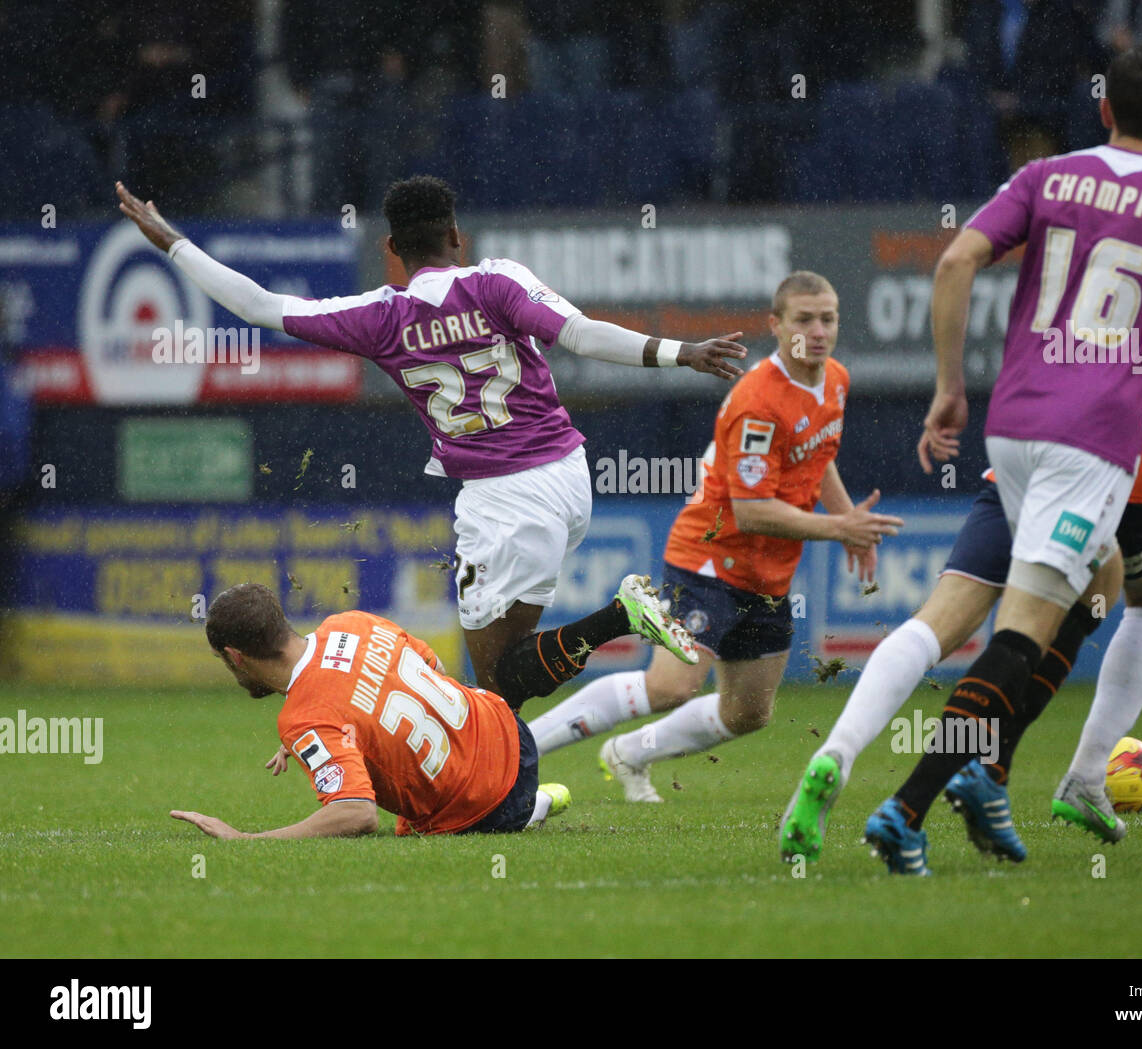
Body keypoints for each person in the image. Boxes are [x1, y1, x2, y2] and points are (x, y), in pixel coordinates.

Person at [781, 107, 1142, 865]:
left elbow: (962, 261)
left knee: (962, 617)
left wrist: (951, 387)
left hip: (1026, 436)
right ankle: (1019, 779)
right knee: (1109, 611)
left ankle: (849, 751)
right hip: (1118, 458)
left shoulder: (1067, 198)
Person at [116, 176, 744, 710]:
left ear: (391, 248)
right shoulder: (498, 283)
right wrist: (680, 352)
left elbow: (259, 306)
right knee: (504, 678)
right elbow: (579, 334)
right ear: (456, 236)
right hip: (568, 475)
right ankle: (519, 789)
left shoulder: (382, 317)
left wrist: (175, 244)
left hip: (505, 500)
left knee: (496, 684)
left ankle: (619, 618)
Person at [525, 271, 904, 801]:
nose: (817, 332)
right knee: (671, 685)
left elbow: (818, 456)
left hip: (766, 574)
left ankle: (631, 753)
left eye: (828, 318)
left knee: (748, 713)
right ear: (776, 325)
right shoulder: (759, 401)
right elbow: (752, 512)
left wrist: (848, 525)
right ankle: (518, 748)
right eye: (803, 320)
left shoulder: (835, 379)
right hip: (708, 558)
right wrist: (840, 526)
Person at [171, 582, 569, 839]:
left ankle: (535, 806)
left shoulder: (305, 718)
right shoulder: (349, 623)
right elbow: (435, 668)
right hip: (508, 728)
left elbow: (357, 814)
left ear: (236, 657)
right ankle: (531, 798)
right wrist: (350, 721)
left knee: (420, 829)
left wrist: (245, 839)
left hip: (491, 803)